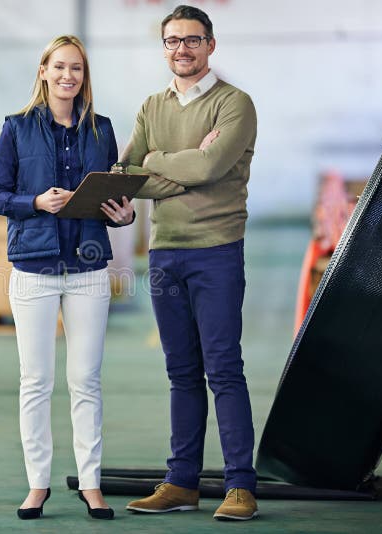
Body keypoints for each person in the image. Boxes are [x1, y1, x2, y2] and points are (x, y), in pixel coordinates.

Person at [120, 5, 259, 521]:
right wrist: (175, 169)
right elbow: (125, 171)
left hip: (217, 249)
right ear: (165, 48)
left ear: (211, 45)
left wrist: (156, 162)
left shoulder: (234, 104)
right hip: (165, 250)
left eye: (193, 40)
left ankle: (240, 485)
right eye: (173, 41)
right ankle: (181, 482)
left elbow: (209, 165)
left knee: (223, 368)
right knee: (180, 371)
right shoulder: (152, 106)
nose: (182, 49)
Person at [0, 34, 134, 521]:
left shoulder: (102, 130)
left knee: (86, 380)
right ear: (44, 72)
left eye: (77, 69)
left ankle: (91, 484)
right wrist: (35, 203)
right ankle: (37, 485)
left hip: (89, 268)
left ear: (83, 76)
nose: (68, 76)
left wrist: (124, 215)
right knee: (36, 381)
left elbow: (112, 201)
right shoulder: (16, 128)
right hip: (34, 269)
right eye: (60, 67)